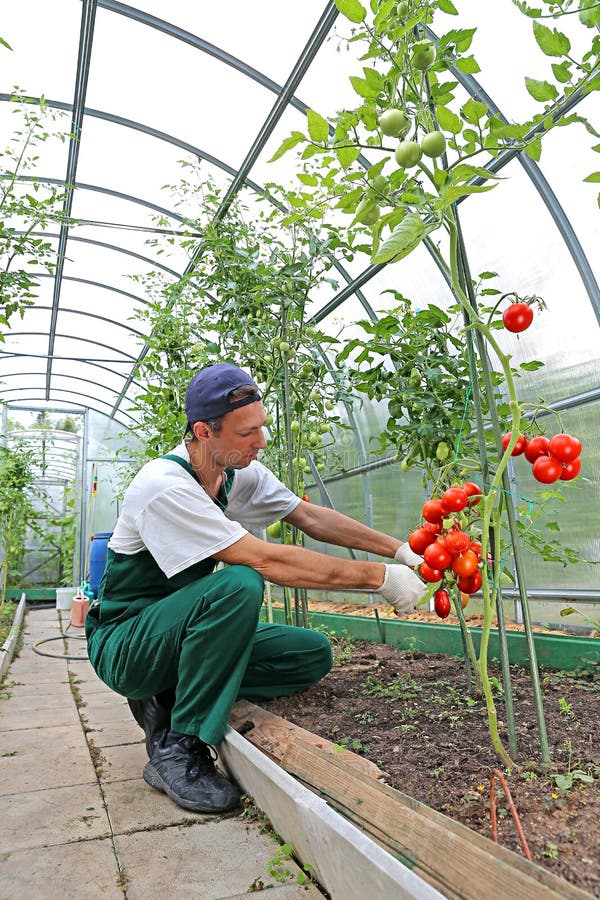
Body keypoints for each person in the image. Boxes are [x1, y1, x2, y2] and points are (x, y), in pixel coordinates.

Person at [85, 362, 426, 815]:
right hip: (127, 643)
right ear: (204, 431)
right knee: (238, 584)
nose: (261, 442)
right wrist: (378, 579)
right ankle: (178, 748)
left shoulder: (235, 474)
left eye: (261, 427)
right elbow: (264, 560)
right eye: (247, 433)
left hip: (177, 634)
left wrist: (400, 550)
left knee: (308, 653)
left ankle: (171, 695)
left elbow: (308, 517)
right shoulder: (165, 487)